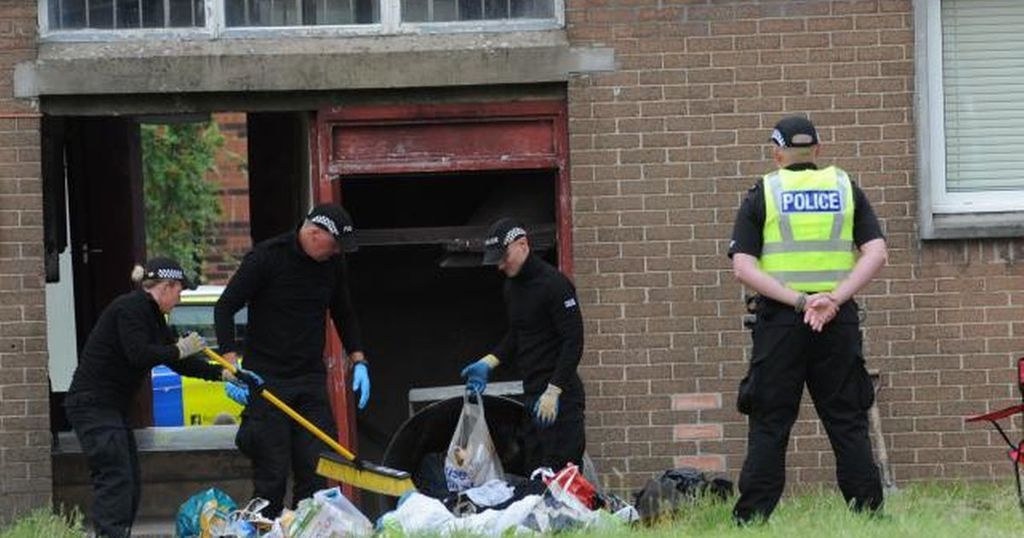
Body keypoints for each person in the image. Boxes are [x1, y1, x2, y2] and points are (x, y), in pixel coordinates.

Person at [728, 115, 887, 523]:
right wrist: (832, 298)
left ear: (776, 153)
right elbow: (876, 254)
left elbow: (744, 267)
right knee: (847, 419)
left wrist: (801, 301)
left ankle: (751, 520)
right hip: (837, 321)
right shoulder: (845, 188)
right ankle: (869, 514)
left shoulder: (765, 191)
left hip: (781, 322)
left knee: (770, 421)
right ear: (817, 151)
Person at [214, 203, 371, 517]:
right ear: (314, 234)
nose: (338, 252)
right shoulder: (267, 258)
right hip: (267, 382)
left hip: (310, 381)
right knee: (272, 475)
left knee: (315, 471)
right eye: (335, 244)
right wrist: (232, 366)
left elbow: (343, 312)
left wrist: (359, 360)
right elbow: (225, 307)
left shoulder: (331, 265)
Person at [64, 257, 230, 538]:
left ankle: (119, 533)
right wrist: (179, 349)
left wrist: (222, 374)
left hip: (111, 408)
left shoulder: (152, 316)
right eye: (179, 291)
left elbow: (179, 361)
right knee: (115, 478)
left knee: (129, 480)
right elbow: (139, 353)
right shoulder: (130, 308)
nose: (179, 298)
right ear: (166, 286)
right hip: (93, 405)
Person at [460, 218, 586, 473]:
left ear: (523, 245)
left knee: (563, 478)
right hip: (531, 396)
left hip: (561, 400)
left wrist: (555, 390)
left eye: (504, 256)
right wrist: (489, 362)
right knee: (534, 473)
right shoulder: (512, 287)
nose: (500, 265)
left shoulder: (555, 285)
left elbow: (574, 341)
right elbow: (519, 333)